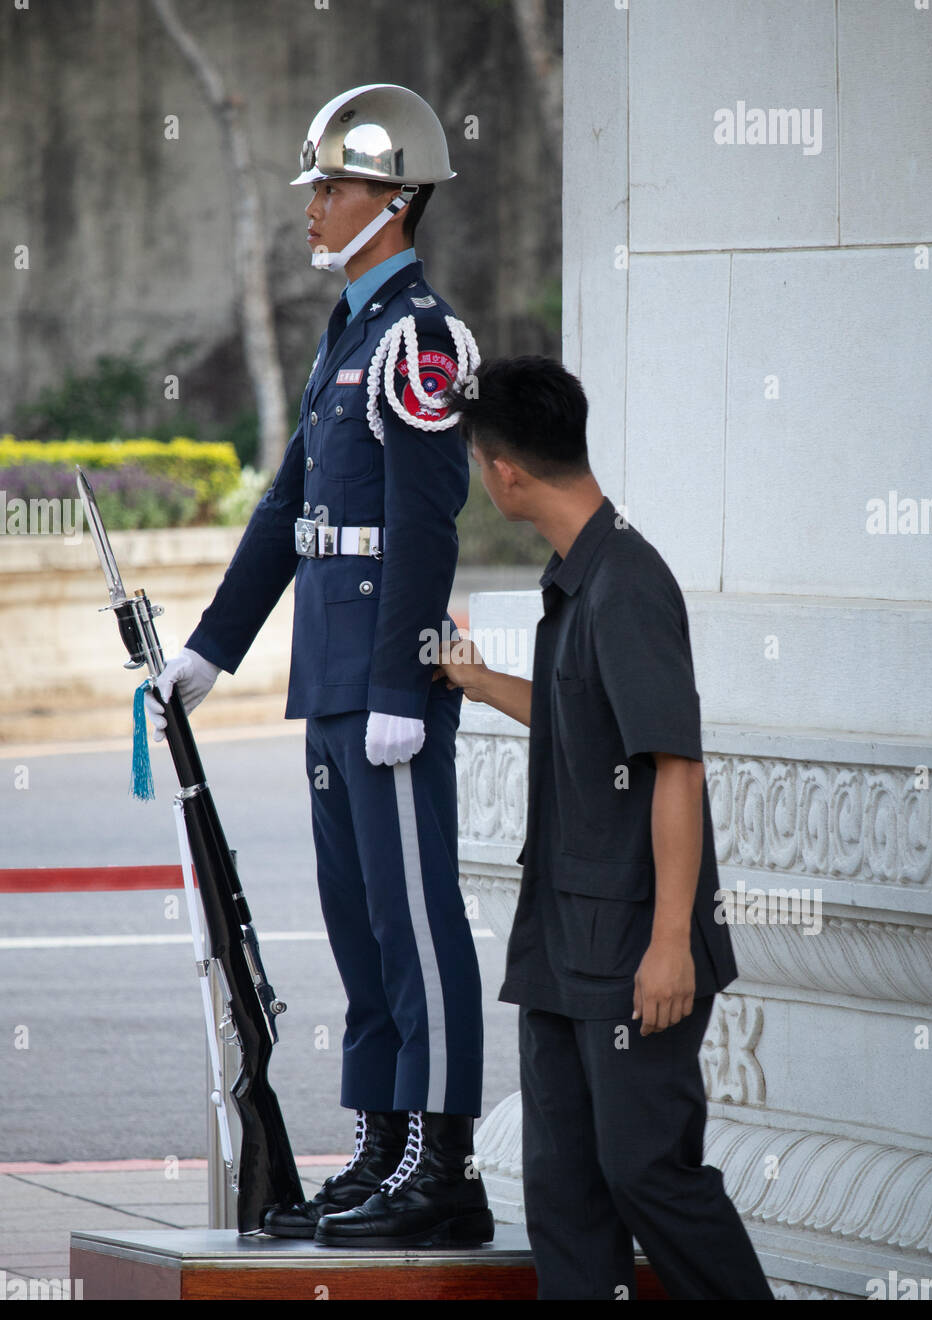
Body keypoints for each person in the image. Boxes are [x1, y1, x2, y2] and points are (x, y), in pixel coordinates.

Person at [145, 84, 493, 1248]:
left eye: (332, 187)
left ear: (391, 204)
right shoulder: (349, 333)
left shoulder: (421, 340)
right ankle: (385, 1144)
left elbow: (425, 525)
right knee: (357, 923)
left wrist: (404, 684)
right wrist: (211, 645)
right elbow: (291, 506)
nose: (313, 208)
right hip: (328, 675)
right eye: (316, 188)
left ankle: (445, 1164)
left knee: (416, 920)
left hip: (382, 684)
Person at [433, 356, 774, 1297]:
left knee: (648, 1177)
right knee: (564, 1194)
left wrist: (672, 944)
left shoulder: (626, 583)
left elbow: (677, 762)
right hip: (561, 946)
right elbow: (582, 713)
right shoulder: (577, 576)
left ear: (503, 471)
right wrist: (477, 679)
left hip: (631, 949)